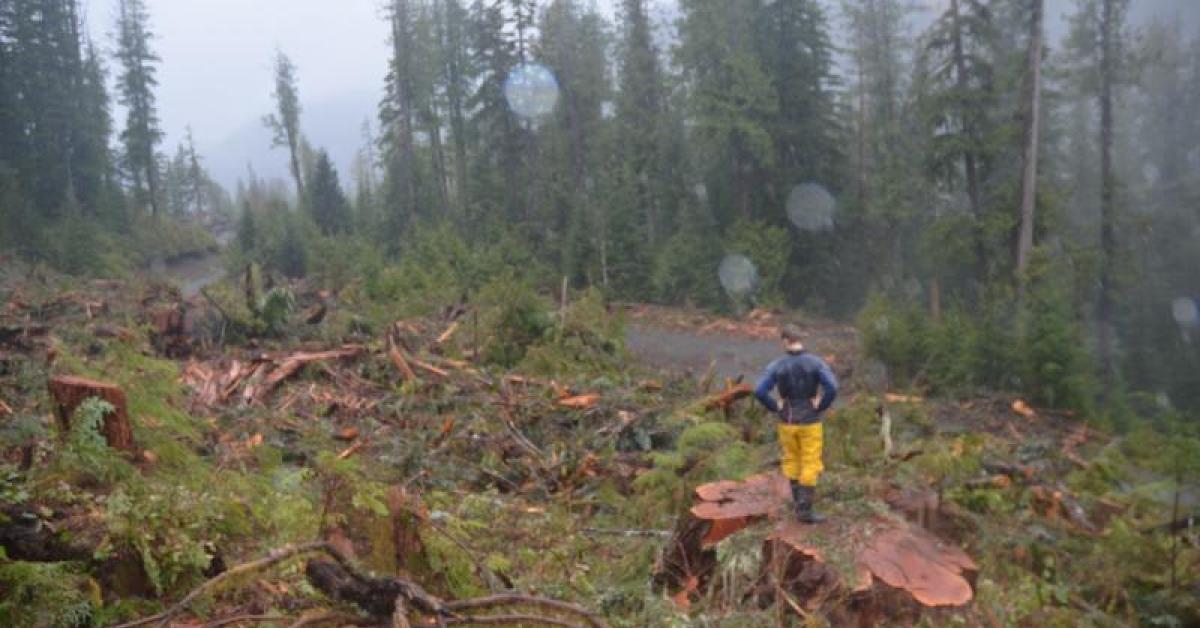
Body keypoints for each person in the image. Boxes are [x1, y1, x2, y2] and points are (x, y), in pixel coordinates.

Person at [753, 324, 838, 523]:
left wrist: (775, 406)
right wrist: (821, 405)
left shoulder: (776, 365)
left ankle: (797, 502)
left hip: (787, 420)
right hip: (810, 420)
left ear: (784, 341)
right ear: (802, 339)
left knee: (792, 459)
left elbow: (759, 391)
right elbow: (832, 387)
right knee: (810, 461)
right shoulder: (816, 363)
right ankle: (805, 510)